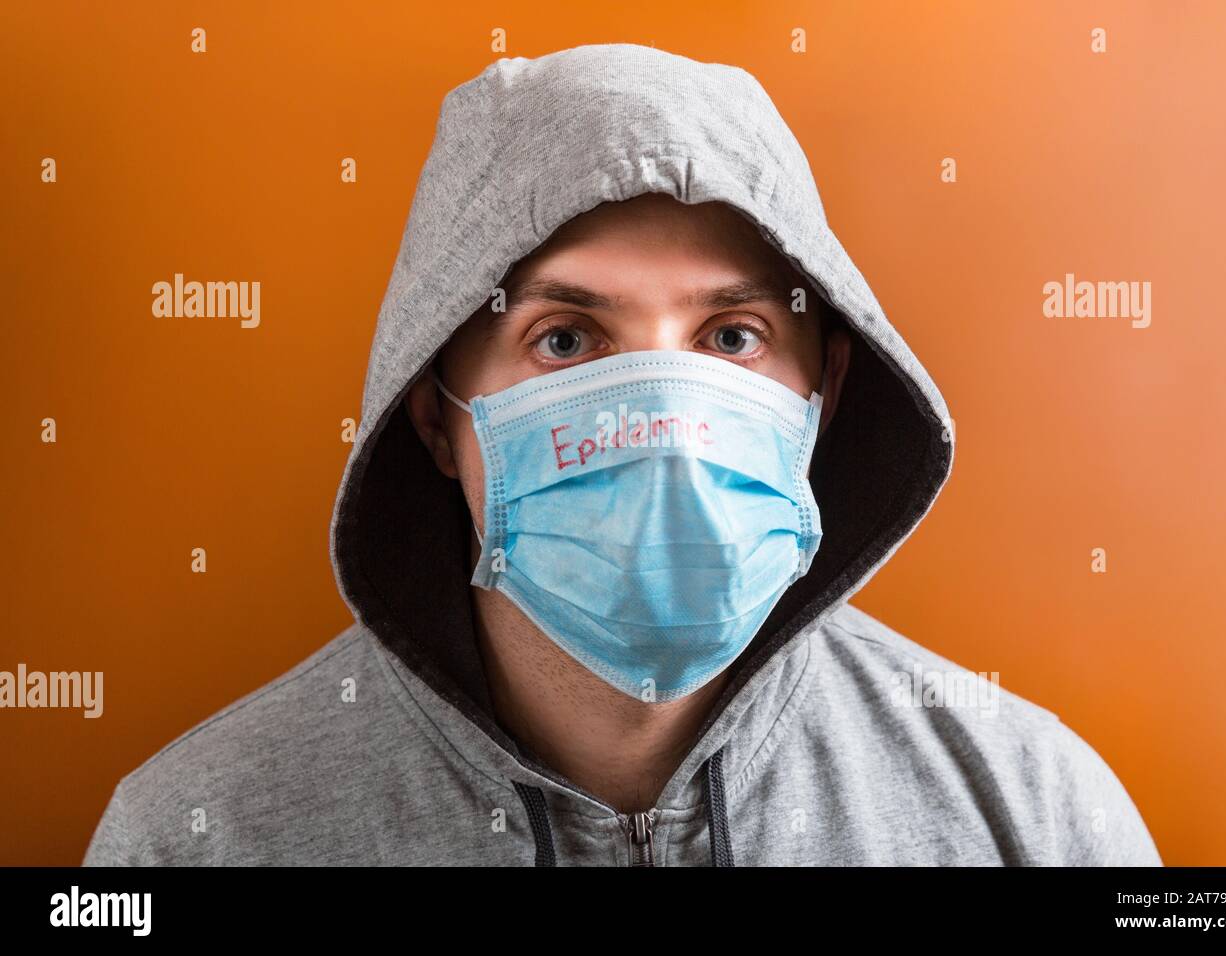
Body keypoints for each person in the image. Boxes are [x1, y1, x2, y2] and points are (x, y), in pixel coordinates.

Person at [83, 43, 1162, 866]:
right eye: (566, 339)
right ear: (435, 417)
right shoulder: (197, 835)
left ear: (823, 397)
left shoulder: (1030, 808)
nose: (665, 413)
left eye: (731, 337)